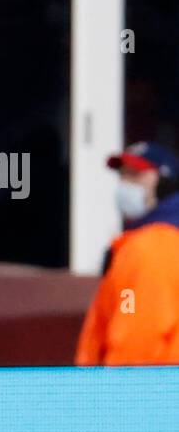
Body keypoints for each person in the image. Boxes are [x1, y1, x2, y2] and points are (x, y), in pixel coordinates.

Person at [75, 141, 179, 365]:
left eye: (136, 176)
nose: (125, 184)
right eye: (123, 175)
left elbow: (137, 334)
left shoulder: (151, 248)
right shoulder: (150, 241)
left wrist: (118, 394)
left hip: (144, 391)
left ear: (164, 183)